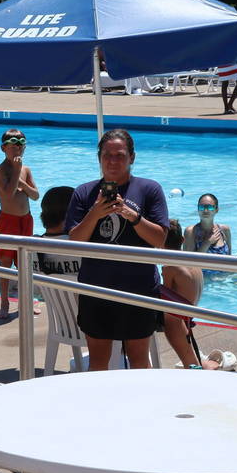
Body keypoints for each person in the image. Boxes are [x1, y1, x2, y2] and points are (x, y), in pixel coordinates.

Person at [66, 129, 169, 371]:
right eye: (107, 155)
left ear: (132, 158)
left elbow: (159, 240)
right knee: (99, 362)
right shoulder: (84, 193)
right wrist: (95, 213)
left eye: (120, 155)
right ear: (99, 158)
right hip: (95, 289)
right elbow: (74, 242)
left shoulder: (149, 190)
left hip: (138, 289)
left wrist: (131, 215)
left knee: (139, 361)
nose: (113, 161)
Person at [0, 129, 39, 318]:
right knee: (5, 263)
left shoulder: (26, 170)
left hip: (25, 220)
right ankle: (4, 302)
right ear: (4, 148)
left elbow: (35, 196)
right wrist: (16, 172)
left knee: (25, 264)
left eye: (21, 145)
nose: (17, 149)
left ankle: (27, 301)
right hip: (7, 221)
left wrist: (24, 184)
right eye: (13, 146)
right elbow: (8, 195)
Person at [158, 220, 204, 368]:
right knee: (192, 361)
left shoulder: (170, 268)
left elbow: (164, 298)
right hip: (189, 313)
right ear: (182, 240)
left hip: (176, 320)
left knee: (190, 364)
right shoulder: (193, 261)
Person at [29, 185, 80, 314]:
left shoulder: (30, 247)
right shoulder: (82, 247)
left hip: (58, 325)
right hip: (92, 327)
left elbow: (34, 290)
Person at [182, 193, 232, 277]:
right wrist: (207, 243)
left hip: (223, 282)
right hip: (203, 282)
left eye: (209, 207)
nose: (205, 211)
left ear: (216, 210)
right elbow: (189, 265)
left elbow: (229, 260)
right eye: (201, 207)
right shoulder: (191, 232)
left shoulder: (224, 230)